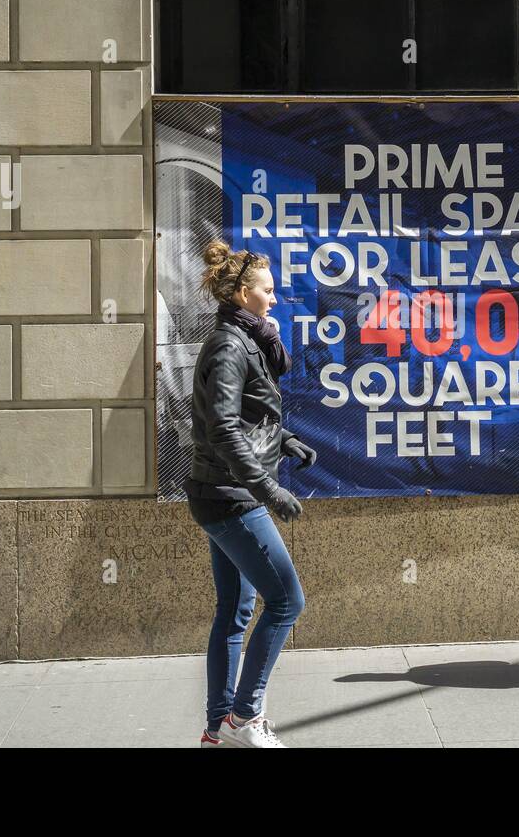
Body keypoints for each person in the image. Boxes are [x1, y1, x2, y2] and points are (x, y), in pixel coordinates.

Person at [185, 241, 317, 748]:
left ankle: (218, 728)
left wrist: (283, 440)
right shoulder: (229, 345)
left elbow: (245, 415)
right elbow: (220, 426)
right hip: (232, 496)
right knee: (286, 600)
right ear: (244, 294)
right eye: (267, 289)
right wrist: (268, 488)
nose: (275, 298)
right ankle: (244, 717)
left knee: (235, 611)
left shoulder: (246, 341)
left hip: (224, 490)